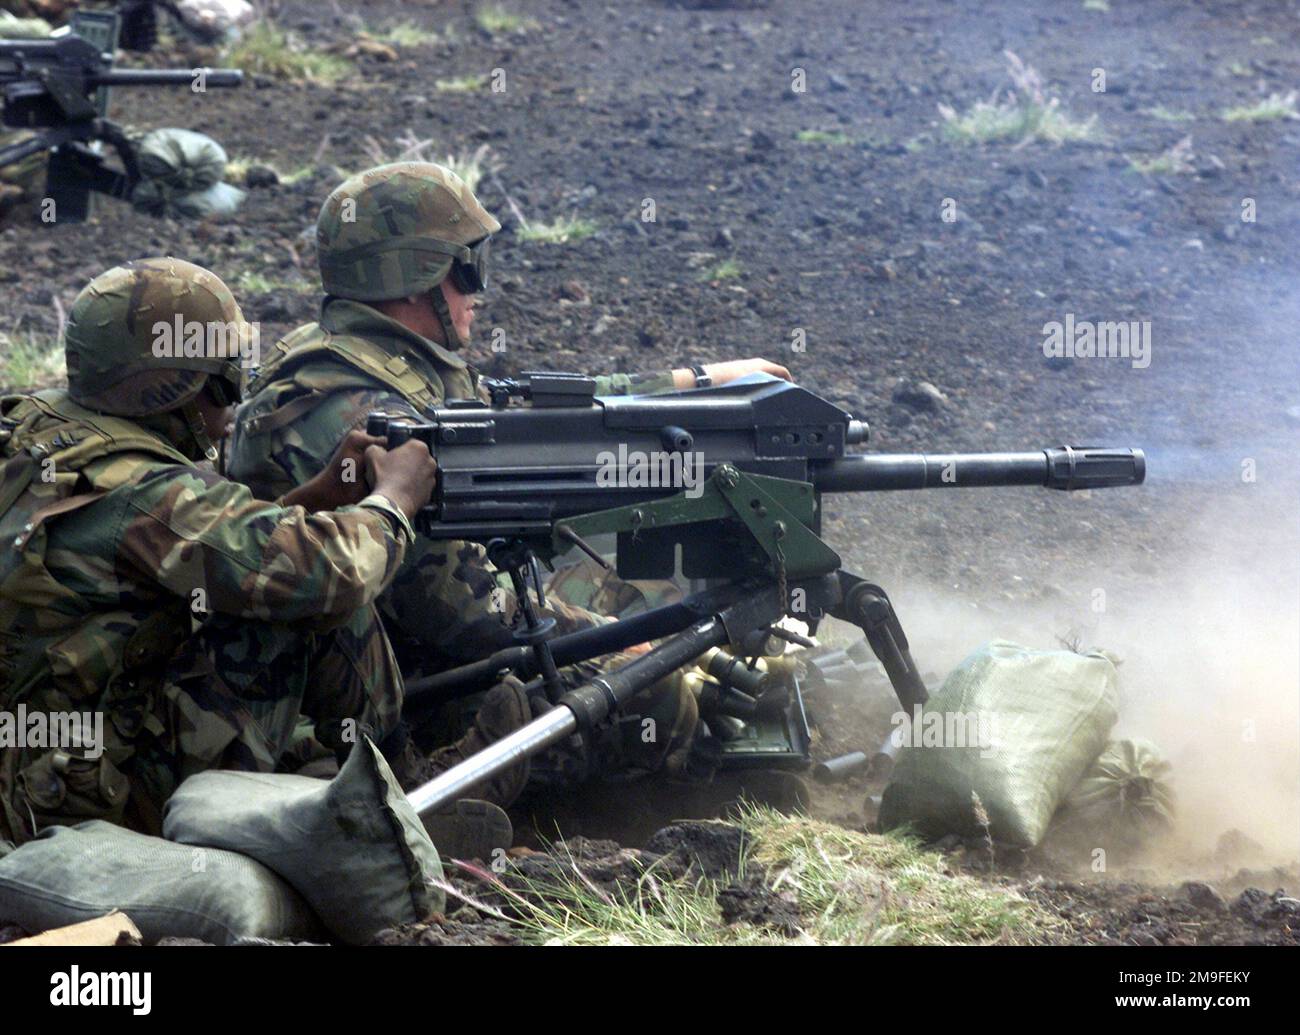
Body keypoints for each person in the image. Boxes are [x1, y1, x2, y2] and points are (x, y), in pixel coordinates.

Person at [225, 161, 793, 803]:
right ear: (415, 279)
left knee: (632, 592)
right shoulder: (367, 417)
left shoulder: (347, 357)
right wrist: (652, 655)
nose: (477, 291)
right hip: (372, 696)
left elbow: (523, 414)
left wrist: (696, 382)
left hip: (380, 642)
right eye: (466, 268)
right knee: (661, 702)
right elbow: (464, 613)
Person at [0, 256, 452, 845]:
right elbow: (323, 573)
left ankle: (338, 782)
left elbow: (214, 552)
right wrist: (395, 500)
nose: (232, 403)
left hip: (33, 754)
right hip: (77, 796)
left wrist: (316, 498)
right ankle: (383, 806)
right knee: (311, 610)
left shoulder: (43, 433)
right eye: (226, 379)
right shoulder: (146, 495)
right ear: (185, 390)